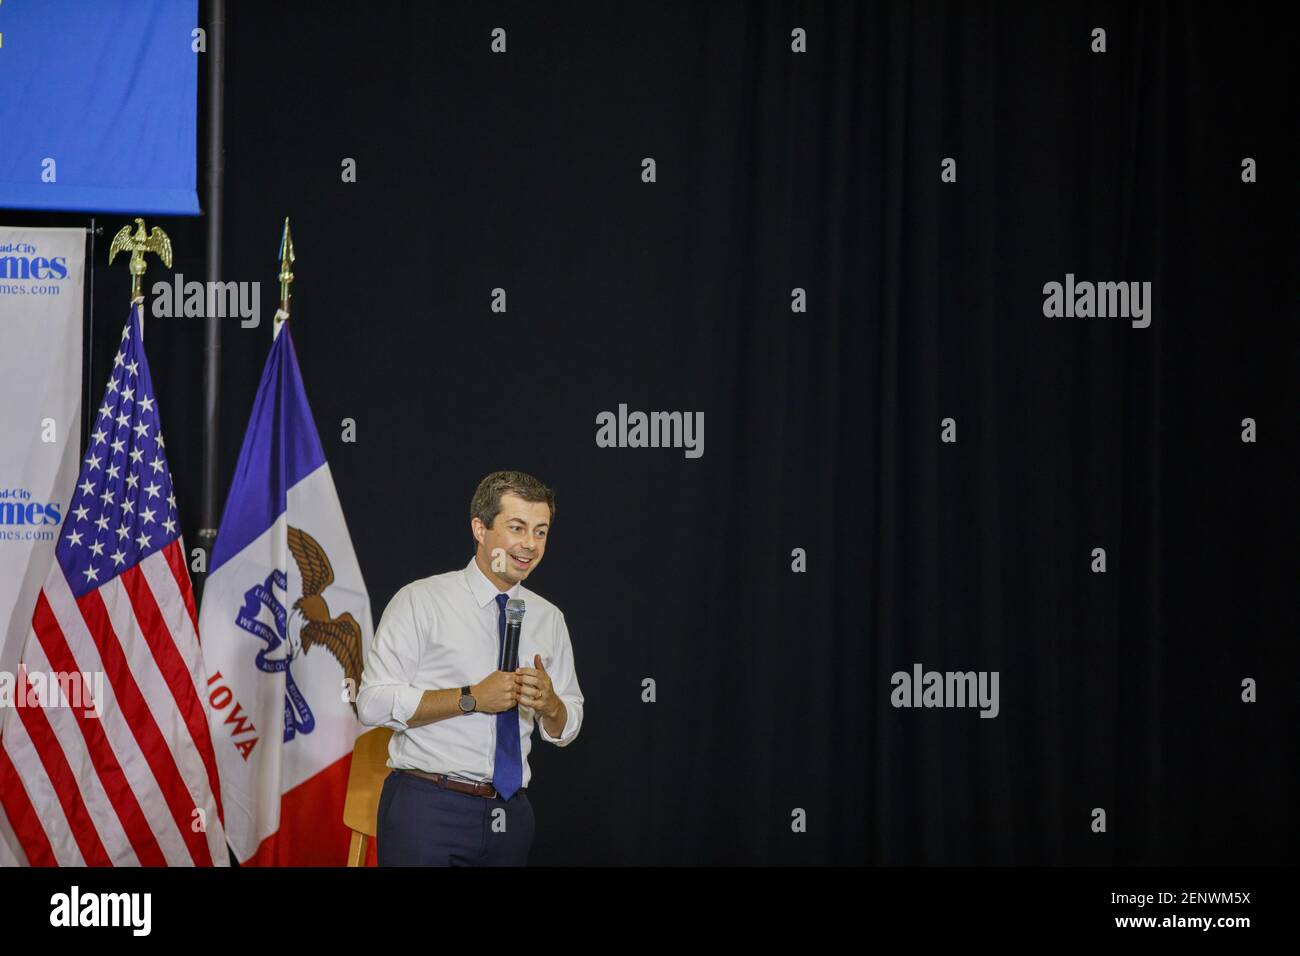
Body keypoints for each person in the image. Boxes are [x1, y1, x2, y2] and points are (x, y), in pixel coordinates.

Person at [357, 470, 583, 866]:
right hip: (428, 807)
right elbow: (371, 704)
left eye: (541, 531)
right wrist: (471, 699)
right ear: (480, 528)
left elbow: (568, 723)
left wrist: (551, 705)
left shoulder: (549, 618)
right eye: (517, 528)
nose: (530, 544)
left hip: (511, 814)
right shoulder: (420, 601)